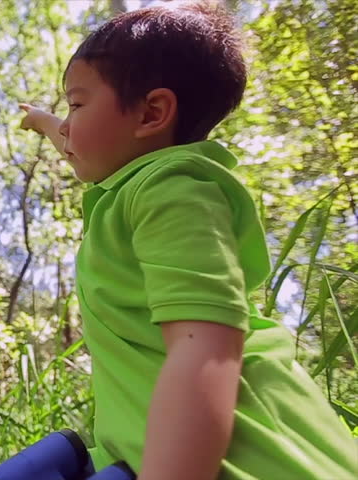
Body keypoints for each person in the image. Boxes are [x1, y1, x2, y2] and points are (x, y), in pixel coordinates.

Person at [18, 2, 357, 478]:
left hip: (263, 460)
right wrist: (43, 120)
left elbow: (205, 349)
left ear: (152, 113)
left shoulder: (170, 189)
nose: (67, 126)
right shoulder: (132, 185)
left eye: (76, 104)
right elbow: (78, 144)